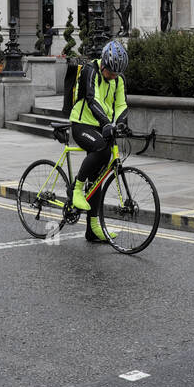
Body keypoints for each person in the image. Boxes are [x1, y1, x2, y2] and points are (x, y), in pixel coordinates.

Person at [68, 40, 130, 244]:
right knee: (102, 149)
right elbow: (92, 99)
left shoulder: (118, 80)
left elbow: (121, 104)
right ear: (103, 63)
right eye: (111, 72)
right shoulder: (90, 71)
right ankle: (76, 189)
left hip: (100, 127)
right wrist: (106, 123)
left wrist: (120, 124)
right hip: (81, 124)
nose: (113, 77)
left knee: (98, 178)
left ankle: (93, 229)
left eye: (117, 74)